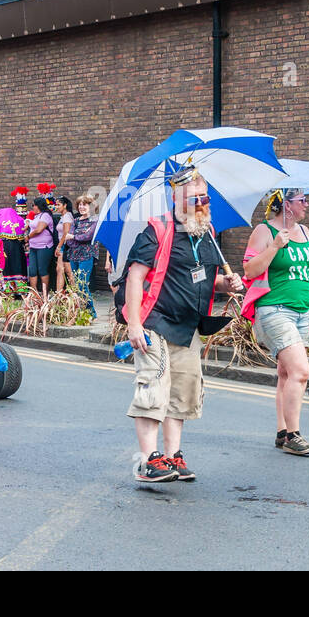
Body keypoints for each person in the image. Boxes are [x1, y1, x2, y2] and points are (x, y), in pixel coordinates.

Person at [118, 164, 243, 482]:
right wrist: (133, 324)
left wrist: (225, 286)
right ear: (177, 199)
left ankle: (173, 457)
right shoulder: (157, 230)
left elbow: (201, 280)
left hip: (188, 326)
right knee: (153, 389)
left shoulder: (208, 234)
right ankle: (148, 461)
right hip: (155, 322)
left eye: (205, 198)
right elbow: (135, 277)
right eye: (195, 199)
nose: (202, 204)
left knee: (183, 392)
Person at [243, 188, 309, 456]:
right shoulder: (264, 231)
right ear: (286, 205)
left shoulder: (306, 232)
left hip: (303, 311)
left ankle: (281, 431)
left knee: (286, 373)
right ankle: (293, 434)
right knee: (301, 372)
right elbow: (250, 270)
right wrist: (275, 246)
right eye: (302, 200)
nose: (307, 204)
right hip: (274, 310)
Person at [62, 194, 102, 318]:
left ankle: (91, 313)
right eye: (79, 204)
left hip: (87, 255)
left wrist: (75, 237)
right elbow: (69, 240)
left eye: (84, 204)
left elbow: (88, 236)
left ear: (91, 206)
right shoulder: (76, 221)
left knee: (82, 284)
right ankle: (81, 311)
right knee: (76, 284)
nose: (81, 207)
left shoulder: (95, 220)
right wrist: (76, 238)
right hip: (74, 255)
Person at [25, 196, 57, 297]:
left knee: (42, 269)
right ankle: (34, 293)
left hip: (44, 247)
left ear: (38, 206)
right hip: (33, 247)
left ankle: (44, 293)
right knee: (32, 270)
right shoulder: (36, 216)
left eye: (33, 205)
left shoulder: (45, 216)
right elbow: (32, 226)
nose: (32, 207)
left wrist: (28, 237)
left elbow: (39, 229)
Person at [54, 196, 74, 292]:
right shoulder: (63, 216)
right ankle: (59, 293)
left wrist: (59, 247)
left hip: (66, 246)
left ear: (65, 205)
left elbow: (66, 233)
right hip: (63, 246)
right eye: (56, 205)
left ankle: (75, 293)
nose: (56, 207)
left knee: (68, 271)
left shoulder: (67, 216)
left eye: (58, 205)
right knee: (60, 270)